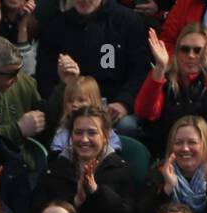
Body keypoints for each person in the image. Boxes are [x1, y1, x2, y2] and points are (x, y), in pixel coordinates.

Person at [36, 0, 151, 133]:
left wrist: (124, 103)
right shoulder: (55, 27)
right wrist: (64, 89)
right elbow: (45, 79)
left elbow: (140, 70)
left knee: (126, 125)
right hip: (73, 107)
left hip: (114, 104)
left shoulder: (128, 21)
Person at [37, 106, 137, 213]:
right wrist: (75, 202)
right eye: (78, 132)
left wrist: (97, 192)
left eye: (92, 133)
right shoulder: (55, 170)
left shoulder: (120, 170)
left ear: (105, 137)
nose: (84, 139)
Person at [136, 25, 207, 153]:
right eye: (185, 49)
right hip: (167, 155)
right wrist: (160, 67)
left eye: (198, 51)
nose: (191, 55)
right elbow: (144, 112)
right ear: (177, 52)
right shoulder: (164, 79)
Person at [48, 75, 125, 156]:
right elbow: (55, 153)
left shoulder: (105, 129)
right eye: (70, 101)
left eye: (81, 100)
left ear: (94, 102)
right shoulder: (63, 130)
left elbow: (115, 150)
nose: (74, 104)